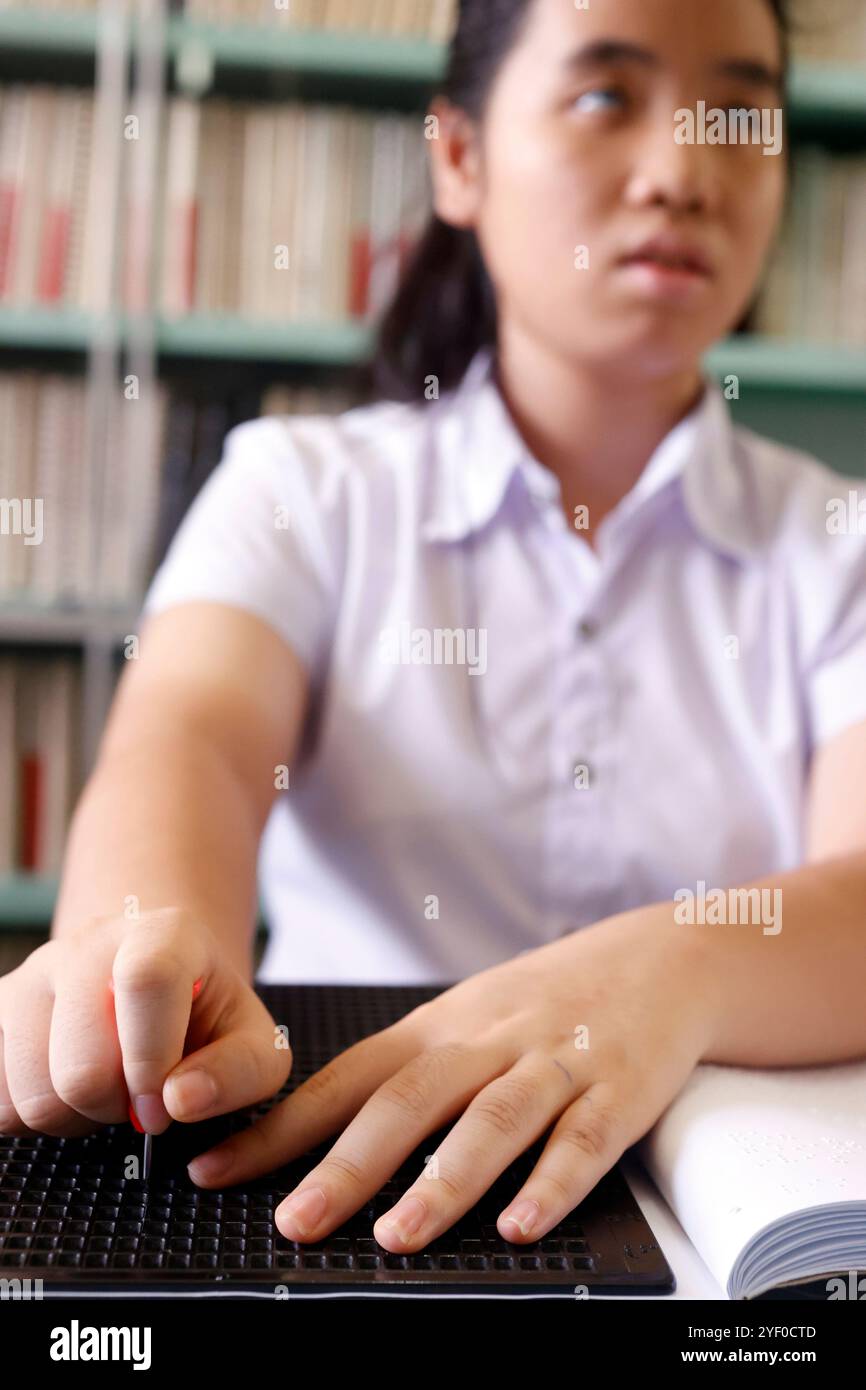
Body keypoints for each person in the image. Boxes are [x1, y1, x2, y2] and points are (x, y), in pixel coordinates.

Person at [2, 0, 865, 1258]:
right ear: (457, 157)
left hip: (720, 1229)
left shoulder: (838, 544)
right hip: (334, 1191)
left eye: (735, 112)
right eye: (601, 96)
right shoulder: (302, 489)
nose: (682, 169)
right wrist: (137, 950)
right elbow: (189, 739)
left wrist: (661, 968)